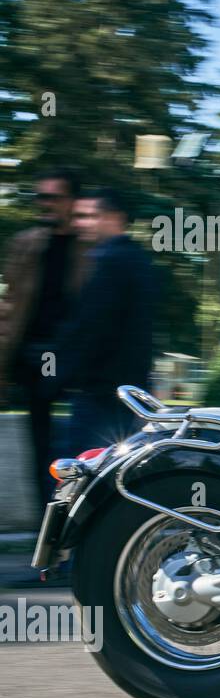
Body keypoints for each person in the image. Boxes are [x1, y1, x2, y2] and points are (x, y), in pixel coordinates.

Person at [0, 170, 88, 508]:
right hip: (33, 361)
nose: (45, 204)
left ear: (71, 202)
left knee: (81, 452)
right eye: (41, 197)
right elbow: (9, 307)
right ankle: (45, 527)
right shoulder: (26, 245)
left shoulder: (89, 246)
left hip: (75, 364)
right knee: (40, 455)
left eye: (53, 197)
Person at [55, 188, 155, 455]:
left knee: (82, 475)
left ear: (115, 218)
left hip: (99, 394)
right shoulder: (139, 260)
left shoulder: (108, 262)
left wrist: (54, 376)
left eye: (90, 216)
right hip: (127, 392)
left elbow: (88, 329)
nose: (80, 223)